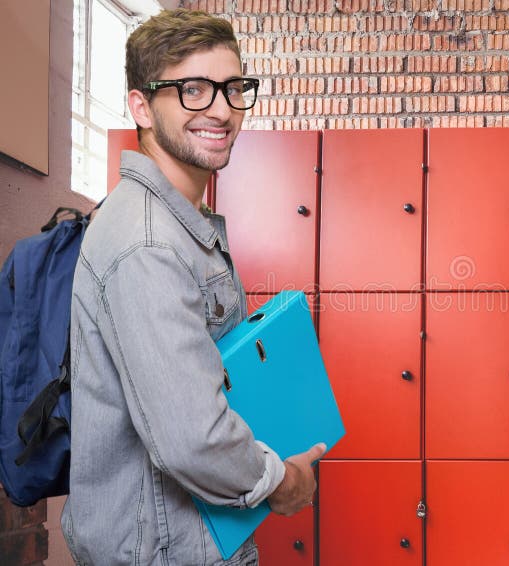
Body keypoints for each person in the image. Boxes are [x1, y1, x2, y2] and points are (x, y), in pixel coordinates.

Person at [62, 9, 324, 565]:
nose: (222, 110)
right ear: (141, 106)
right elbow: (193, 439)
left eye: (233, 88)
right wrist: (284, 481)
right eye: (193, 90)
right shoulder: (149, 243)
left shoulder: (180, 223)